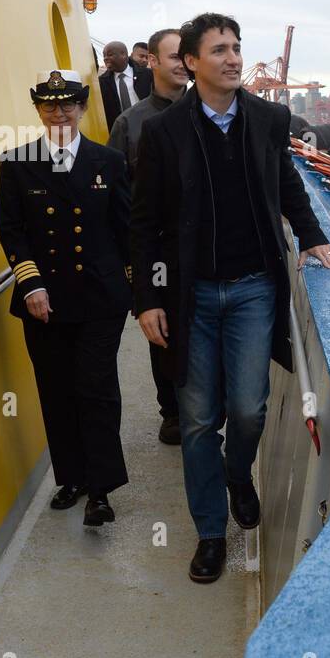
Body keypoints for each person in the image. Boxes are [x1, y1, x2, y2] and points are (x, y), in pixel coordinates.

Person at [130, 12, 330, 584]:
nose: (233, 58)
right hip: (190, 296)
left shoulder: (269, 118)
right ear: (191, 62)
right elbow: (144, 221)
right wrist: (146, 297)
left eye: (238, 48)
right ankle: (209, 533)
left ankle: (238, 473)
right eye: (219, 49)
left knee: (246, 409)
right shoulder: (164, 132)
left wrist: (314, 237)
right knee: (198, 419)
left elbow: (287, 184)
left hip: (253, 289)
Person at [0, 70, 132, 526]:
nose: (59, 113)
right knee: (56, 392)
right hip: (44, 300)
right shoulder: (16, 164)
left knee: (96, 389)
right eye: (49, 105)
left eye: (68, 104)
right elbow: (12, 231)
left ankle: (101, 490)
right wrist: (30, 284)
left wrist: (136, 287)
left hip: (98, 298)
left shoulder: (108, 162)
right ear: (38, 109)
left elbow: (124, 228)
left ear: (82, 107)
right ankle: (70, 478)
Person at [107, 28, 188, 445]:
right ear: (151, 61)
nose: (180, 63)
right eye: (171, 56)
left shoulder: (211, 114)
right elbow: (116, 200)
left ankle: (202, 409)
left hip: (201, 246)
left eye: (185, 56)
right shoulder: (130, 124)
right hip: (154, 249)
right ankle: (171, 410)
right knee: (162, 331)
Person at [98, 41, 152, 131]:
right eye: (104, 56)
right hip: (122, 134)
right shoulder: (102, 83)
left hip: (148, 128)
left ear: (124, 55)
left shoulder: (148, 75)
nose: (106, 58)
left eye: (110, 55)